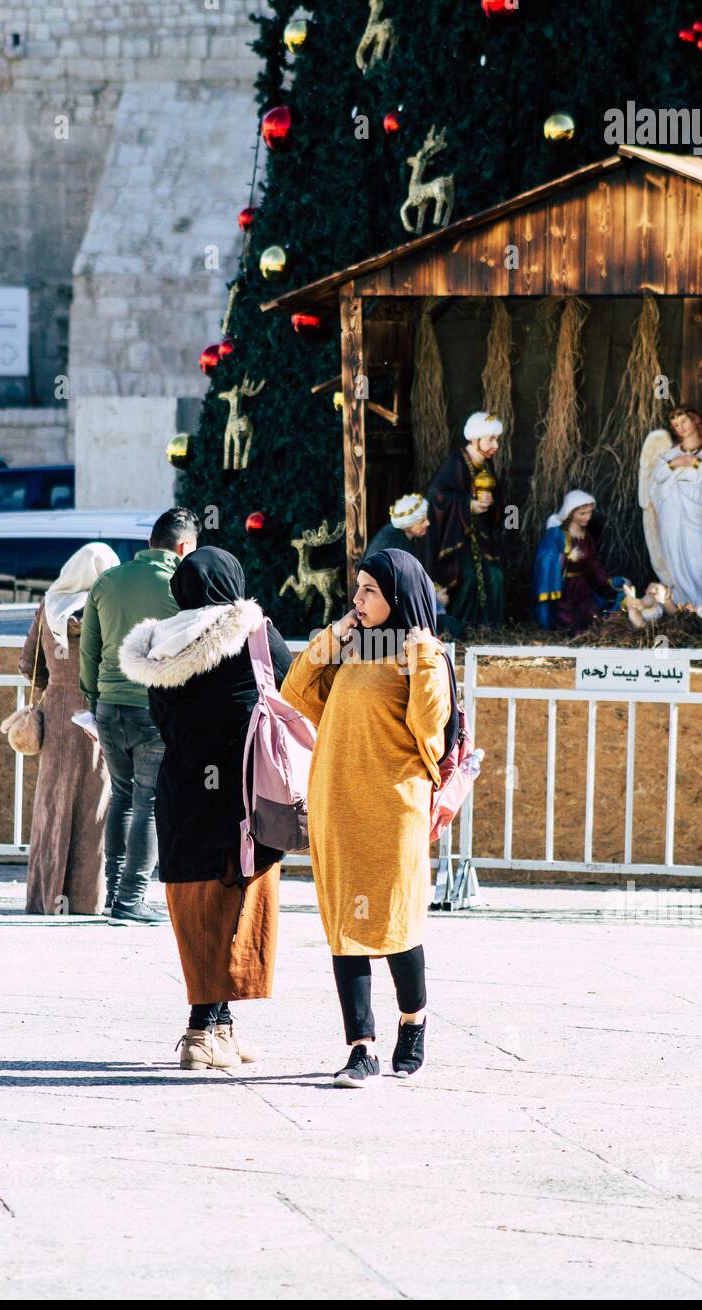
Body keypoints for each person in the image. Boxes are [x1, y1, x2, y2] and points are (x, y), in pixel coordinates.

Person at [281, 548, 458, 1087]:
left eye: (369, 591)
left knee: (397, 921)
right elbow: (295, 690)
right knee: (345, 928)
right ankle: (362, 1047)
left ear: (397, 596)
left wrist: (423, 653)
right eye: (356, 588)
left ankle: (414, 1019)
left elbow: (429, 728)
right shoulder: (356, 645)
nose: (356, 599)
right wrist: (335, 633)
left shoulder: (422, 653)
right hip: (338, 804)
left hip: (394, 808)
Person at [119, 548, 293, 1070]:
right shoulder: (254, 634)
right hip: (245, 791)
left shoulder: (159, 645)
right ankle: (200, 1030)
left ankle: (220, 1028)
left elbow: (165, 721)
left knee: (199, 902)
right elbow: (291, 691)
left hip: (185, 791)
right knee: (238, 899)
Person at [79, 507, 200, 924]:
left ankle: (114, 894)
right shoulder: (182, 583)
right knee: (149, 800)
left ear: (151, 543)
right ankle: (131, 900)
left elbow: (89, 650)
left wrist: (95, 700)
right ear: (184, 546)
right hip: (155, 707)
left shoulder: (107, 581)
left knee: (122, 796)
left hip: (109, 705)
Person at [19, 544, 118, 914]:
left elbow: (28, 665)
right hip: (99, 715)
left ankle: (45, 897)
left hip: (57, 717)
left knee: (52, 806)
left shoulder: (49, 606)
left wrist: (54, 687)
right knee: (95, 808)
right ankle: (86, 900)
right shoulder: (109, 608)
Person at [426, 411, 507, 627]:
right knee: (468, 577)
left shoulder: (486, 465)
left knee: (496, 576)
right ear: (475, 439)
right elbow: (436, 496)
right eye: (491, 439)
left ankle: (489, 626)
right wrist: (467, 504)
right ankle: (460, 625)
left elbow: (501, 504)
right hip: (457, 540)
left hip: (480, 539)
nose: (496, 445)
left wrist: (491, 504)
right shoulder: (456, 463)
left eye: (497, 440)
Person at [647, 407, 702, 607]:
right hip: (671, 506)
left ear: (694, 421)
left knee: (699, 558)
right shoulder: (672, 453)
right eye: (676, 425)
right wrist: (675, 463)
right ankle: (683, 603)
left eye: (684, 422)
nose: (680, 427)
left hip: (697, 506)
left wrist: (693, 461)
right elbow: (657, 476)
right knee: (673, 552)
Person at [364, 492, 463, 638]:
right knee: (451, 626)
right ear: (409, 524)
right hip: (385, 614)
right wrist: (435, 599)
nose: (427, 523)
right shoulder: (397, 545)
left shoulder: (396, 535)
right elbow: (405, 590)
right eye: (422, 521)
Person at [534, 490, 625, 633]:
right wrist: (566, 557)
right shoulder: (556, 534)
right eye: (582, 514)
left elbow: (593, 564)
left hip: (582, 589)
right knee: (568, 623)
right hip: (563, 591)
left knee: (593, 617)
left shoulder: (586, 537)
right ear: (571, 513)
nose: (587, 517)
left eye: (589, 513)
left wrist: (608, 581)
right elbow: (544, 558)